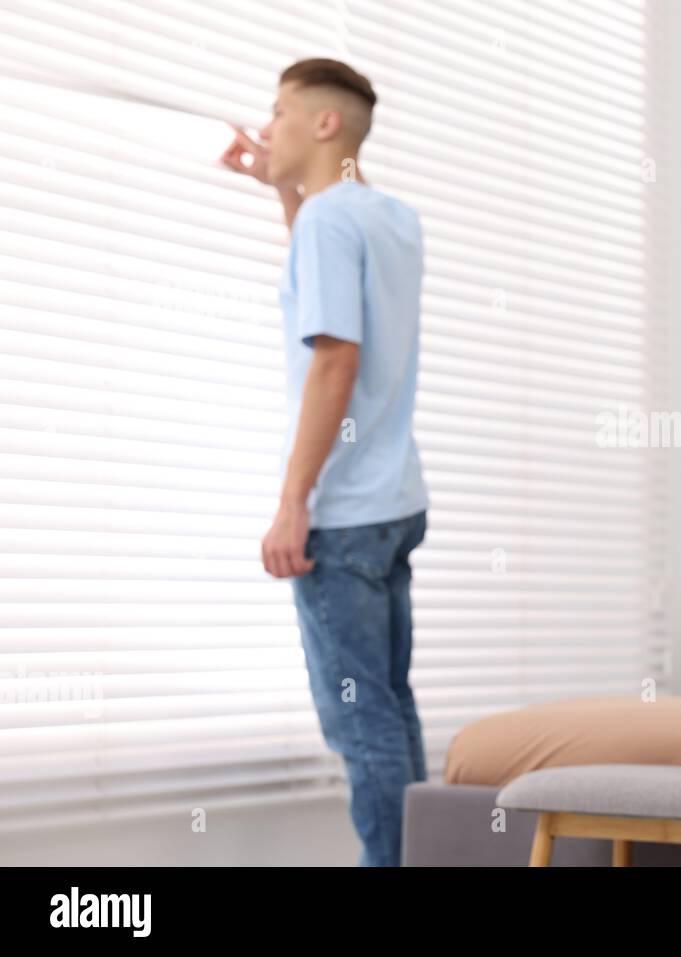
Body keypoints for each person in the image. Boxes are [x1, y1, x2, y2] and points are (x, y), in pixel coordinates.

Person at [220, 58, 428, 867]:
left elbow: (335, 357)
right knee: (390, 706)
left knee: (359, 723)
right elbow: (331, 292)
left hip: (341, 517)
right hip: (394, 502)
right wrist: (282, 192)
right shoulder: (387, 216)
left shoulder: (326, 225)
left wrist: (292, 502)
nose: (266, 128)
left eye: (278, 113)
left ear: (325, 124)